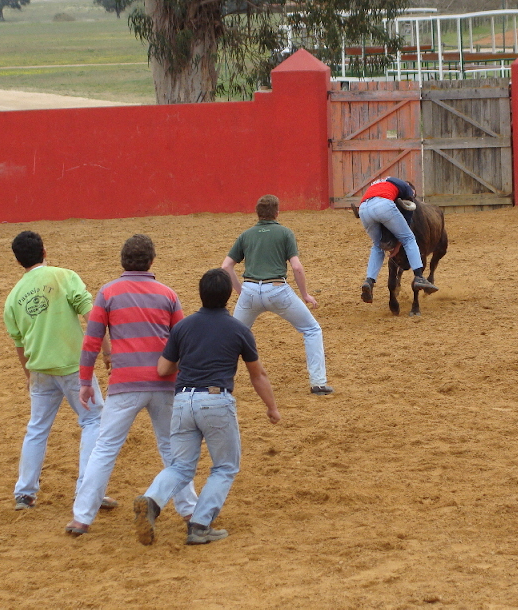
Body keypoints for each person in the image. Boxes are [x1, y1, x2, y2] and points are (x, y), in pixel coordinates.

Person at [133, 268, 281, 546]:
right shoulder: (239, 330)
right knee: (225, 467)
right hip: (216, 400)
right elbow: (257, 374)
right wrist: (271, 407)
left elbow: (163, 367)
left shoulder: (183, 327)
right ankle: (200, 525)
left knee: (180, 467)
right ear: (227, 297)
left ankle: (152, 501)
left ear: (200, 294)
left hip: (183, 400)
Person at [65, 235, 198, 536]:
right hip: (165, 383)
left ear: (123, 260)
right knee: (173, 451)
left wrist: (85, 381)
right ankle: (190, 511)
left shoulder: (108, 293)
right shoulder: (168, 294)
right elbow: (183, 340)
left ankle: (81, 518)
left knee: (105, 449)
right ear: (151, 261)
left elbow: (92, 341)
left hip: (125, 383)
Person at [3, 230, 108, 511]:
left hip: (39, 369)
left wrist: (29, 377)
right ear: (44, 252)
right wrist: (106, 349)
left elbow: (19, 345)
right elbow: (92, 315)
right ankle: (87, 490)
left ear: (19, 261)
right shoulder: (64, 276)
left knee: (37, 428)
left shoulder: (13, 298)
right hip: (73, 366)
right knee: (93, 420)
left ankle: (24, 492)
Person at [221, 194, 333, 396]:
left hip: (250, 291)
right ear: (277, 213)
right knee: (311, 330)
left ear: (258, 214)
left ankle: (218, 384)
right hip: (277, 290)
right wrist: (305, 294)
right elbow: (297, 267)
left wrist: (241, 291)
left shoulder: (246, 235)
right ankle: (318, 383)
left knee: (231, 338)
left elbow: (226, 266)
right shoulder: (285, 233)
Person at [356, 176, 437, 304]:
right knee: (409, 238)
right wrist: (399, 243)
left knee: (377, 246)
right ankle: (419, 277)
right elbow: (408, 215)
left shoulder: (379, 183)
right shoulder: (407, 189)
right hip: (383, 205)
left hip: (364, 208)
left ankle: (369, 281)